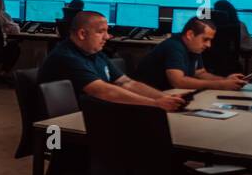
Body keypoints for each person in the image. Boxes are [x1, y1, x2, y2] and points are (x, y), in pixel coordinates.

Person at [37, 10, 183, 110]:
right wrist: (155, 103)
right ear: (82, 34)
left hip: (96, 114)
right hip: (68, 124)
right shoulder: (66, 57)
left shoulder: (95, 53)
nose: (108, 37)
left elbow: (126, 82)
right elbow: (102, 91)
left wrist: (166, 97)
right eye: (101, 32)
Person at [131, 17, 245, 92]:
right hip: (147, 101)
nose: (209, 45)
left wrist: (225, 80)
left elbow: (200, 73)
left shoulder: (194, 47)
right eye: (205, 39)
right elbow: (178, 81)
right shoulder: (174, 46)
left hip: (167, 96)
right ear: (190, 34)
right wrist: (221, 85)